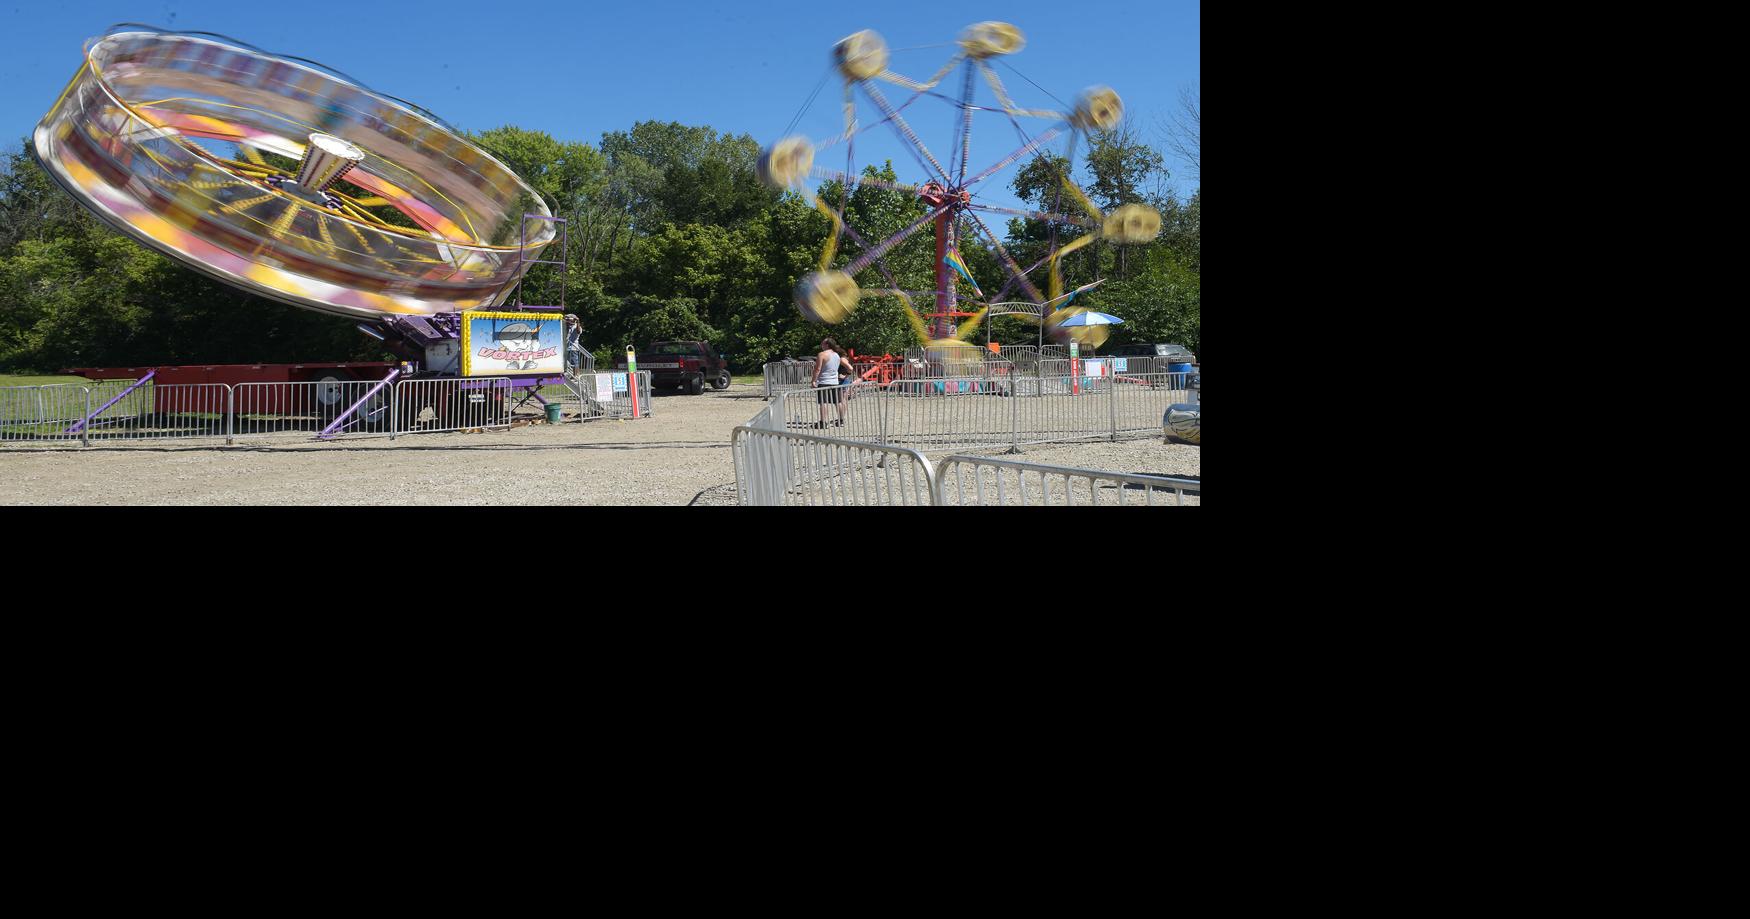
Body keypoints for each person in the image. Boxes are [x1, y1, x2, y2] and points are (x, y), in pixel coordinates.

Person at [809, 337, 848, 428]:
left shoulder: (822, 354)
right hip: (834, 382)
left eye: (822, 343)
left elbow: (817, 369)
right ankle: (841, 420)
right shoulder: (837, 355)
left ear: (827, 344)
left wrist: (813, 381)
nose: (821, 345)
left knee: (823, 402)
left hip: (824, 381)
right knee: (838, 402)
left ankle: (823, 422)